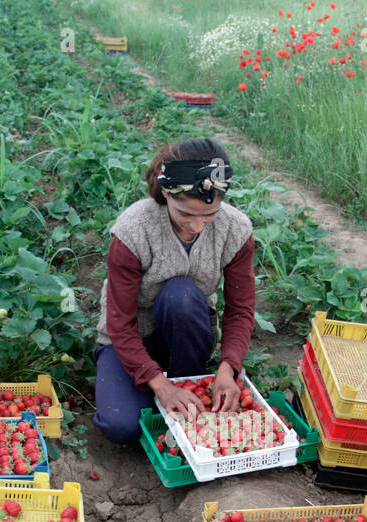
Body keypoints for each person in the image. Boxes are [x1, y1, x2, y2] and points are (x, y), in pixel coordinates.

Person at [93, 136, 256, 443]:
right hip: (128, 339)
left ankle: (189, 377)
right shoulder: (133, 229)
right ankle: (158, 386)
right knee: (121, 425)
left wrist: (228, 368)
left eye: (209, 215)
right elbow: (119, 323)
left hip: (184, 333)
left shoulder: (235, 230)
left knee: (180, 295)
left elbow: (240, 310)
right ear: (166, 194)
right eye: (185, 214)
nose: (196, 226)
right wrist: (161, 386)